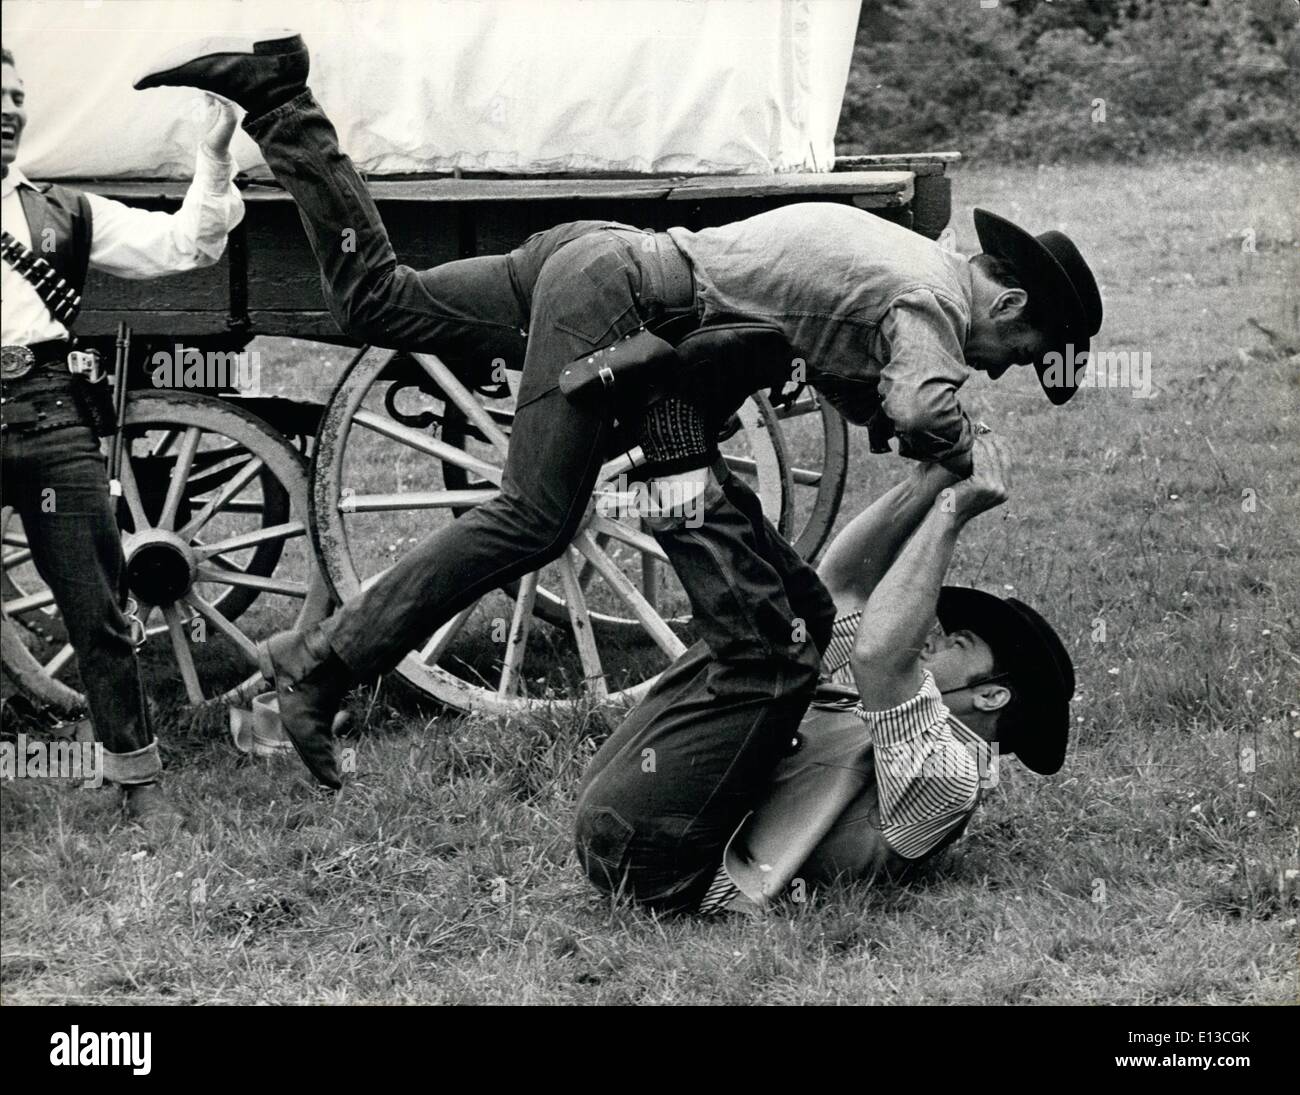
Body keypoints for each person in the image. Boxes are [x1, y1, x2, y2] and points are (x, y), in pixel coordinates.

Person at [132, 32, 1099, 791]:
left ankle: (283, 100)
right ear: (1007, 302)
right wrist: (963, 443)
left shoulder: (900, 263)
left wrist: (905, 429)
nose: (1003, 369)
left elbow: (851, 375)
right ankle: (318, 666)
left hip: (594, 259)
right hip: (622, 302)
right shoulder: (929, 301)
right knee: (535, 516)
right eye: (1018, 355)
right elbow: (920, 400)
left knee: (378, 302)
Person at [574, 434, 1075, 914]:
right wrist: (937, 476)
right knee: (805, 614)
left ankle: (679, 480)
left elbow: (882, 654)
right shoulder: (881, 707)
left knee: (775, 659)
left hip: (667, 867)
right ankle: (690, 458)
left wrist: (952, 513)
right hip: (620, 801)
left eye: (954, 644)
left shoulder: (952, 778)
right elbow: (845, 581)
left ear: (991, 696)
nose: (929, 639)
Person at [1, 45, 244, 826]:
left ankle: (136, 781)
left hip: (46, 412)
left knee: (97, 604)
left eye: (16, 94)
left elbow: (186, 245)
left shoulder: (62, 213)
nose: (10, 109)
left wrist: (212, 157)